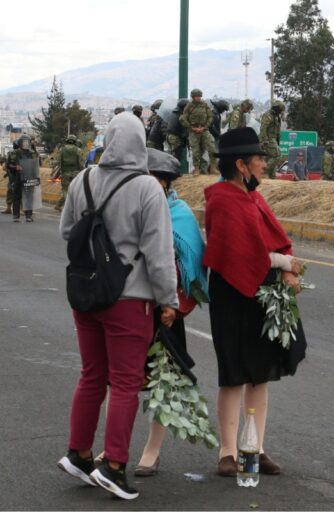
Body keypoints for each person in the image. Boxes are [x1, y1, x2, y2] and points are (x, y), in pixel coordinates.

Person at [57, 113, 178, 501]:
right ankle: (114, 466)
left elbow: (66, 231)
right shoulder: (146, 187)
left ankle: (78, 453)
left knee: (92, 375)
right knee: (126, 383)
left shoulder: (82, 179)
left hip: (85, 293)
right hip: (129, 299)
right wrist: (168, 300)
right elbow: (159, 252)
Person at [203, 127, 307, 478]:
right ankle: (228, 452)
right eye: (259, 159)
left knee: (259, 374)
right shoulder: (220, 197)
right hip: (231, 293)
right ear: (241, 165)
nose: (264, 164)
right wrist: (283, 264)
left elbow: (275, 240)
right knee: (233, 374)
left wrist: (288, 268)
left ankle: (255, 448)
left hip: (261, 291)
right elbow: (238, 251)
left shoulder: (255, 198)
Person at [134, 148, 209, 477]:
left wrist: (175, 306)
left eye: (159, 180)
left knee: (162, 382)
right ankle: (114, 445)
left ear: (166, 184)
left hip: (166, 312)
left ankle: (152, 450)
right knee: (121, 381)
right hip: (132, 306)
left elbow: (194, 268)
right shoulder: (129, 209)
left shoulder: (179, 214)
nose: (154, 185)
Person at [180, 89, 215, 175]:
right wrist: (191, 128)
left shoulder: (204, 105)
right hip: (193, 131)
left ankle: (213, 168)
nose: (198, 98)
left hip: (204, 130)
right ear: (193, 97)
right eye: (196, 96)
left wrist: (205, 127)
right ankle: (196, 169)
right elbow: (182, 119)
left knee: (211, 147)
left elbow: (210, 116)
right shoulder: (189, 106)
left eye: (199, 96)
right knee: (195, 151)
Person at [6, 134, 39, 222]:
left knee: (29, 197)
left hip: (29, 177)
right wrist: (15, 167)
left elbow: (37, 165)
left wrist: (37, 178)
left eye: (27, 142)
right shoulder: (14, 153)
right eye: (24, 143)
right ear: (20, 143)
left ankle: (29, 215)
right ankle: (16, 216)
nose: (26, 144)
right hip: (18, 177)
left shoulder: (32, 153)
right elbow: (8, 165)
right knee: (16, 197)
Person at [55, 134, 85, 211]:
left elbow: (58, 162)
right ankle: (67, 207)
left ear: (67, 140)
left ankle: (63, 206)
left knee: (65, 190)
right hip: (76, 174)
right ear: (75, 141)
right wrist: (83, 171)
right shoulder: (78, 150)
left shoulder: (62, 150)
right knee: (75, 190)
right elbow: (80, 163)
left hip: (65, 174)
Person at [259, 100, 285, 179]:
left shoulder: (276, 117)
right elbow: (263, 128)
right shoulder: (268, 115)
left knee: (271, 159)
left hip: (273, 140)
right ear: (277, 108)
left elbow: (277, 131)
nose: (280, 112)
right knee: (278, 156)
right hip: (268, 139)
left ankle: (272, 178)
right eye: (280, 110)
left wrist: (277, 141)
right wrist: (264, 140)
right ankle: (262, 171)